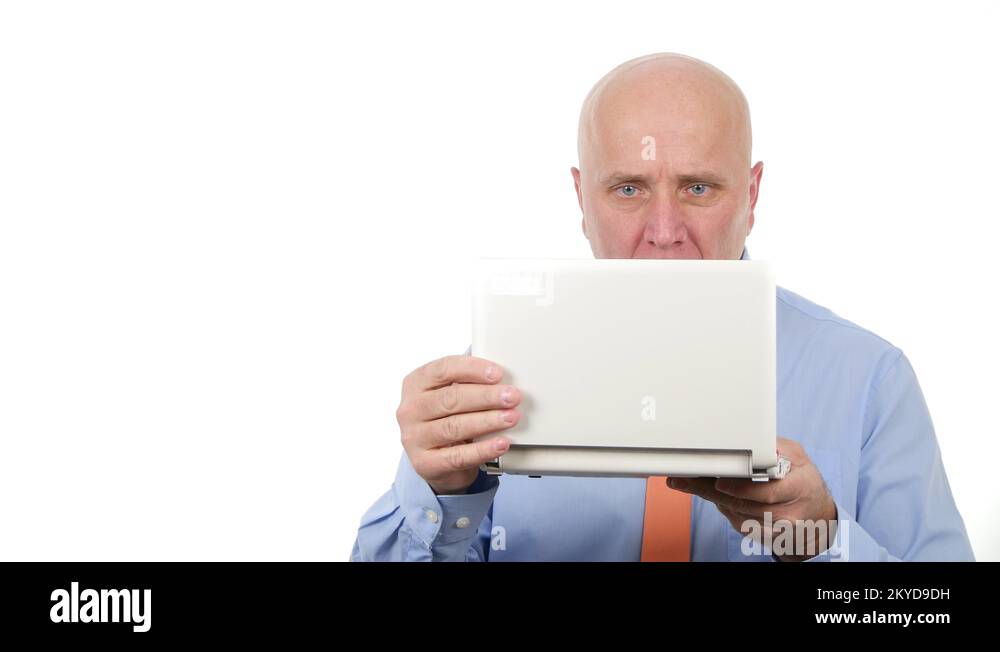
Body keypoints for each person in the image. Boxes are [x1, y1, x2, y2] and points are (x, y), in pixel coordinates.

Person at [350, 52, 975, 562]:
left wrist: (821, 544)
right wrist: (437, 489)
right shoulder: (494, 383)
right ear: (581, 200)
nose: (665, 230)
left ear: (751, 195)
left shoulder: (869, 380)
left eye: (698, 188)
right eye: (629, 189)